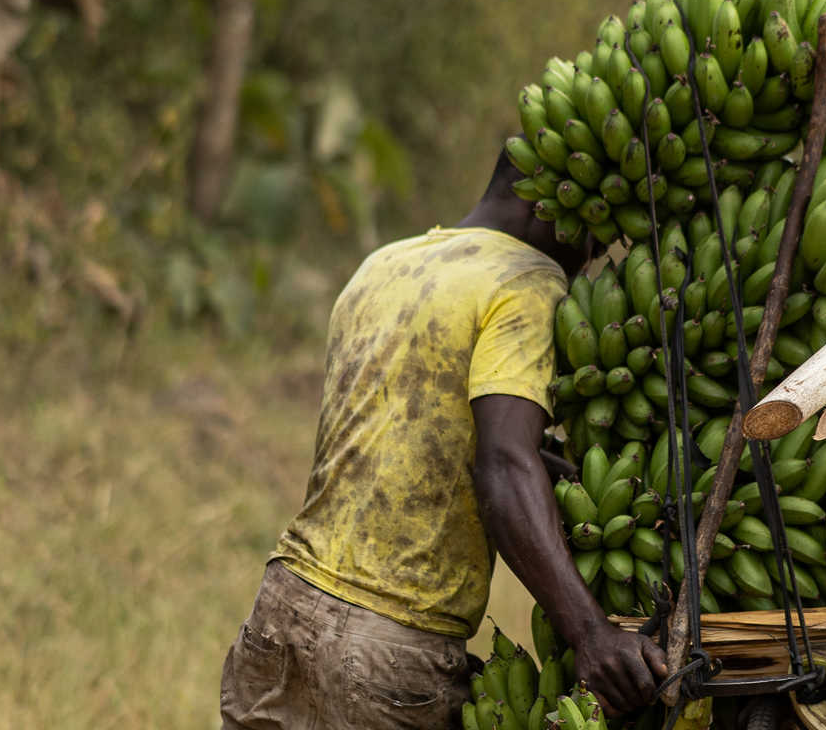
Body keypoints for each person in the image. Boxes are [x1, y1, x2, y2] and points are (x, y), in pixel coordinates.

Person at [218, 150, 669, 729]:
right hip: (390, 643)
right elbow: (502, 466)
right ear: (555, 207)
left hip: (282, 608)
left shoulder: (383, 264)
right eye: (594, 241)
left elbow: (408, 430)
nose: (589, 265)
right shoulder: (526, 283)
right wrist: (591, 634)